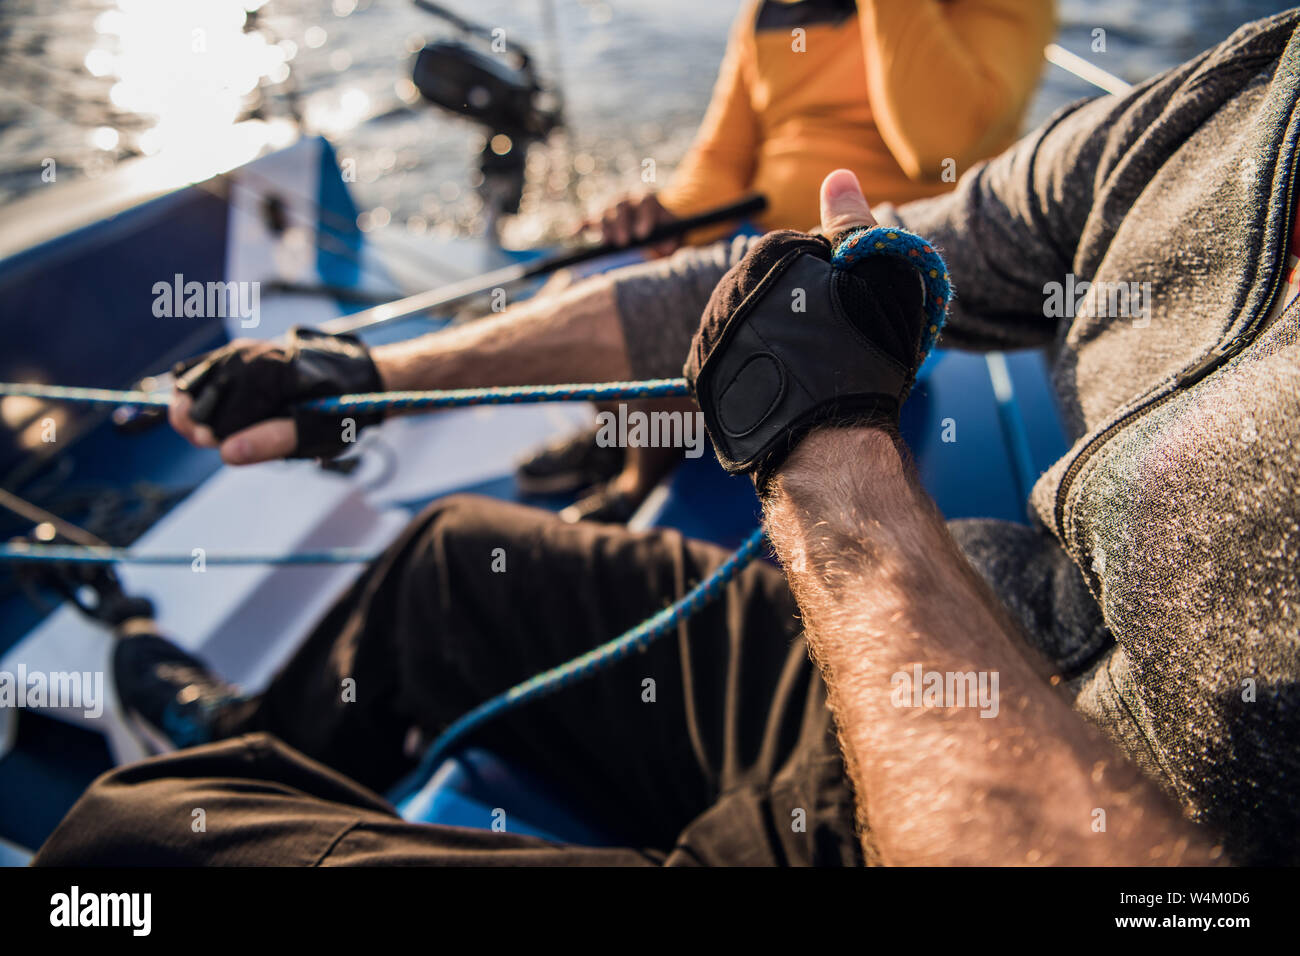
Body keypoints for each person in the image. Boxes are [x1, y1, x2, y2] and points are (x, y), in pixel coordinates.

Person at [35, 9, 1300, 866]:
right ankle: (244, 739)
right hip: (934, 639)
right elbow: (704, 261)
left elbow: (930, 139)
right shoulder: (1216, 112)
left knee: (134, 841)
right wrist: (362, 370)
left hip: (944, 824)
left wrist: (830, 461)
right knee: (441, 565)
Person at [519, 0, 1056, 522]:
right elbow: (720, 163)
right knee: (571, 291)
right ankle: (643, 437)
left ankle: (638, 476)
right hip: (767, 243)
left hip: (887, 269)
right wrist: (666, 214)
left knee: (682, 342)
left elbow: (938, 144)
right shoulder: (769, 10)